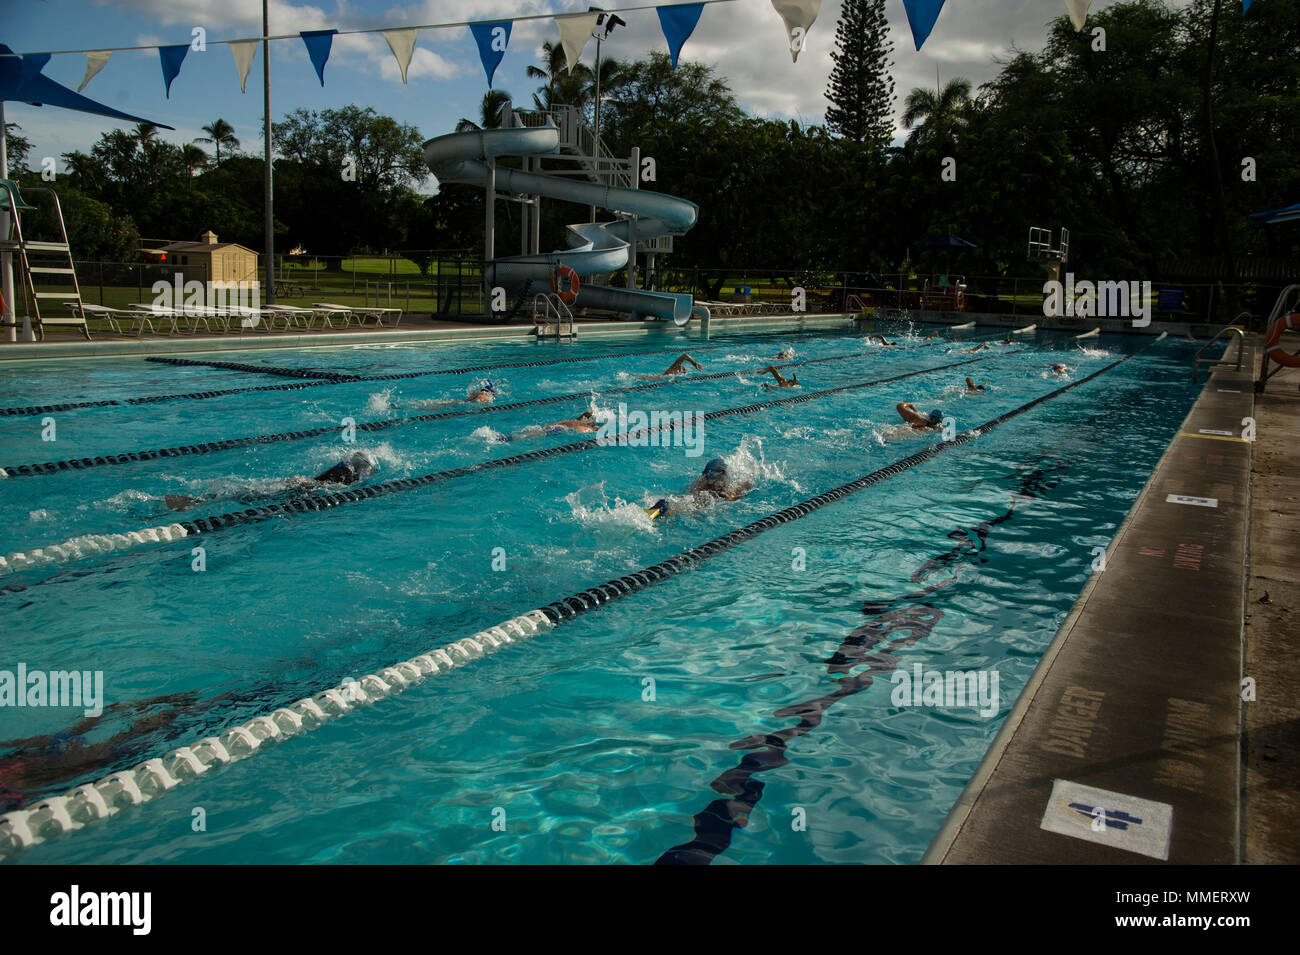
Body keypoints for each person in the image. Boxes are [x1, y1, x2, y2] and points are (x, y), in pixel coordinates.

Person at [164, 450, 380, 512]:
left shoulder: (343, 467)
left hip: (299, 481)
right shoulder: (350, 477)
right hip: (302, 486)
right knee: (250, 496)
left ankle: (201, 499)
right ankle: (198, 502)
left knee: (251, 492)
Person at [646, 458, 753, 521]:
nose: (713, 482)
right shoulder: (703, 483)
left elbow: (747, 485)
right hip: (694, 498)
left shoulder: (729, 486)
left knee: (691, 504)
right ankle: (664, 510)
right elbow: (691, 498)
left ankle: (664, 509)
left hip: (700, 496)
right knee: (690, 505)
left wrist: (729, 497)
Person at [497, 410, 601, 443]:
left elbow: (548, 425)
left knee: (528, 434)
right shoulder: (588, 428)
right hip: (558, 430)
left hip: (553, 427)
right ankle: (507, 439)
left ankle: (504, 437)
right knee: (527, 437)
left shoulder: (569, 421)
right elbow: (598, 430)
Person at [409, 380, 500, 410]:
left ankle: (417, 407)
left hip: (462, 401)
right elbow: (478, 401)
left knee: (441, 404)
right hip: (465, 404)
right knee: (441, 406)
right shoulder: (486, 395)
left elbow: (470, 397)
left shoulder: (478, 393)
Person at [635, 353, 703, 379]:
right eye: (682, 368)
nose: (681, 368)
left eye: (683, 370)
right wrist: (695, 363)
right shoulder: (671, 371)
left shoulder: (671, 375)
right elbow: (685, 356)